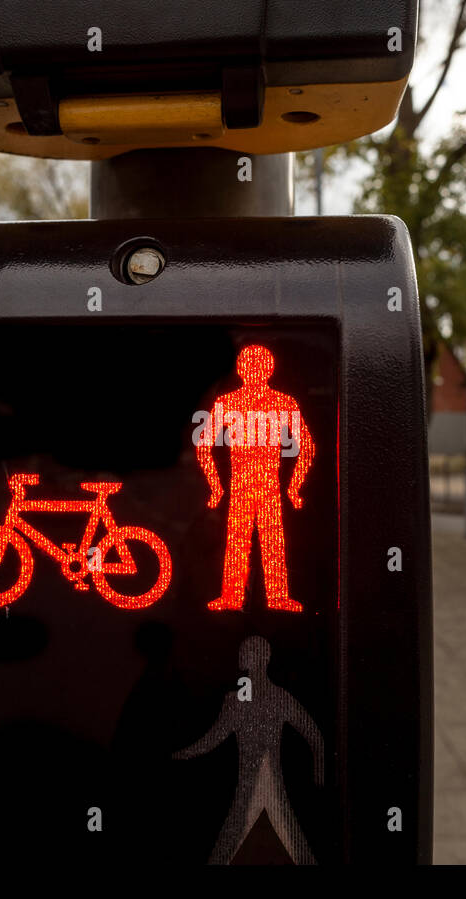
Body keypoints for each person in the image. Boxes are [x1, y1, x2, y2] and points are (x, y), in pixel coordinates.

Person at [173, 636, 324, 864]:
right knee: (243, 831)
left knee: (269, 831)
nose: (241, 656)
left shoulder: (277, 698)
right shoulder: (237, 701)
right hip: (251, 780)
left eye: (247, 652)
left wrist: (319, 771)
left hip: (267, 779)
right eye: (242, 651)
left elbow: (314, 735)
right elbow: (214, 737)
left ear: (263, 657)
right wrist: (185, 753)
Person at [196, 345, 313, 612]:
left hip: (267, 483)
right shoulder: (228, 403)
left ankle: (274, 597)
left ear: (270, 369)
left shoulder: (282, 403)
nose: (255, 371)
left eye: (259, 365)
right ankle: (234, 597)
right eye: (250, 365)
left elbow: (306, 446)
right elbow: (204, 446)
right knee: (240, 540)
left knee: (267, 540)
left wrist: (294, 487)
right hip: (243, 484)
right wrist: (215, 487)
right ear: (240, 369)